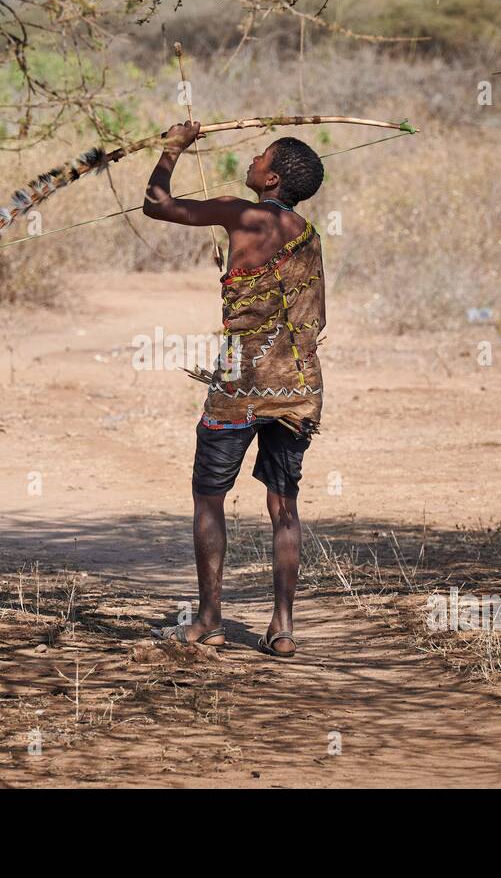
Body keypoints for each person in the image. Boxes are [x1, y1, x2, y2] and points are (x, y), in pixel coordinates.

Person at [143, 121, 326, 658]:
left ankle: (210, 622)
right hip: (299, 387)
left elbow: (157, 204)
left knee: (209, 497)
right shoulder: (309, 235)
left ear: (269, 179)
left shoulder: (238, 212)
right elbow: (319, 320)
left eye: (259, 157)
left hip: (239, 385)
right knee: (284, 503)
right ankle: (283, 628)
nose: (251, 159)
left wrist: (173, 149)